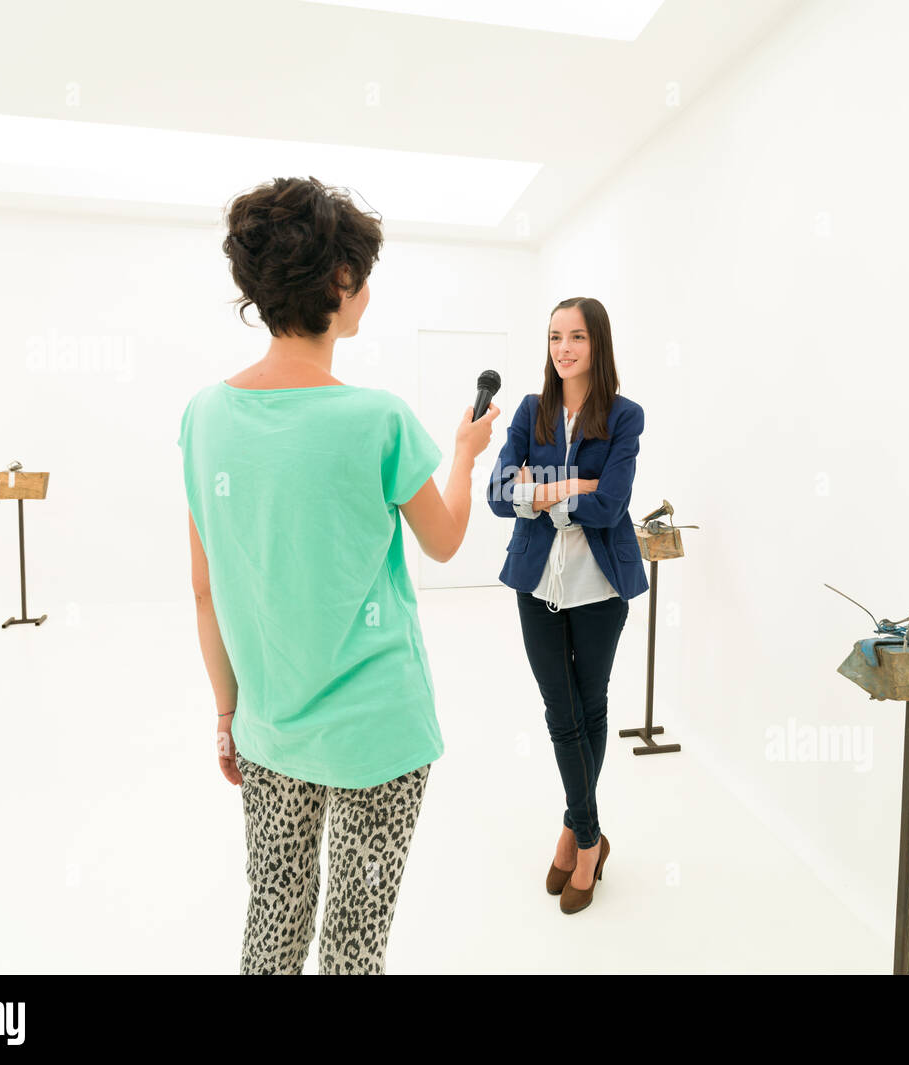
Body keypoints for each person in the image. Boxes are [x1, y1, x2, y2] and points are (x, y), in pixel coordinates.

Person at [176, 175, 498, 974]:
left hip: (269, 728)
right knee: (354, 943)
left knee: (273, 917)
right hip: (377, 735)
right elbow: (447, 540)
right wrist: (462, 453)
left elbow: (205, 586)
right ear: (341, 280)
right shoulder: (378, 418)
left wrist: (228, 714)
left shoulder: (204, 417)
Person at [485, 296, 650, 915]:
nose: (563, 349)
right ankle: (589, 837)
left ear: (596, 344)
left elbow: (610, 506)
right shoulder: (532, 411)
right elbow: (499, 493)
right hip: (538, 586)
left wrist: (543, 488)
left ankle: (572, 834)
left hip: (600, 590)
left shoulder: (625, 416)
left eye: (576, 337)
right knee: (561, 712)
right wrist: (574, 486)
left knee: (590, 706)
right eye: (555, 337)